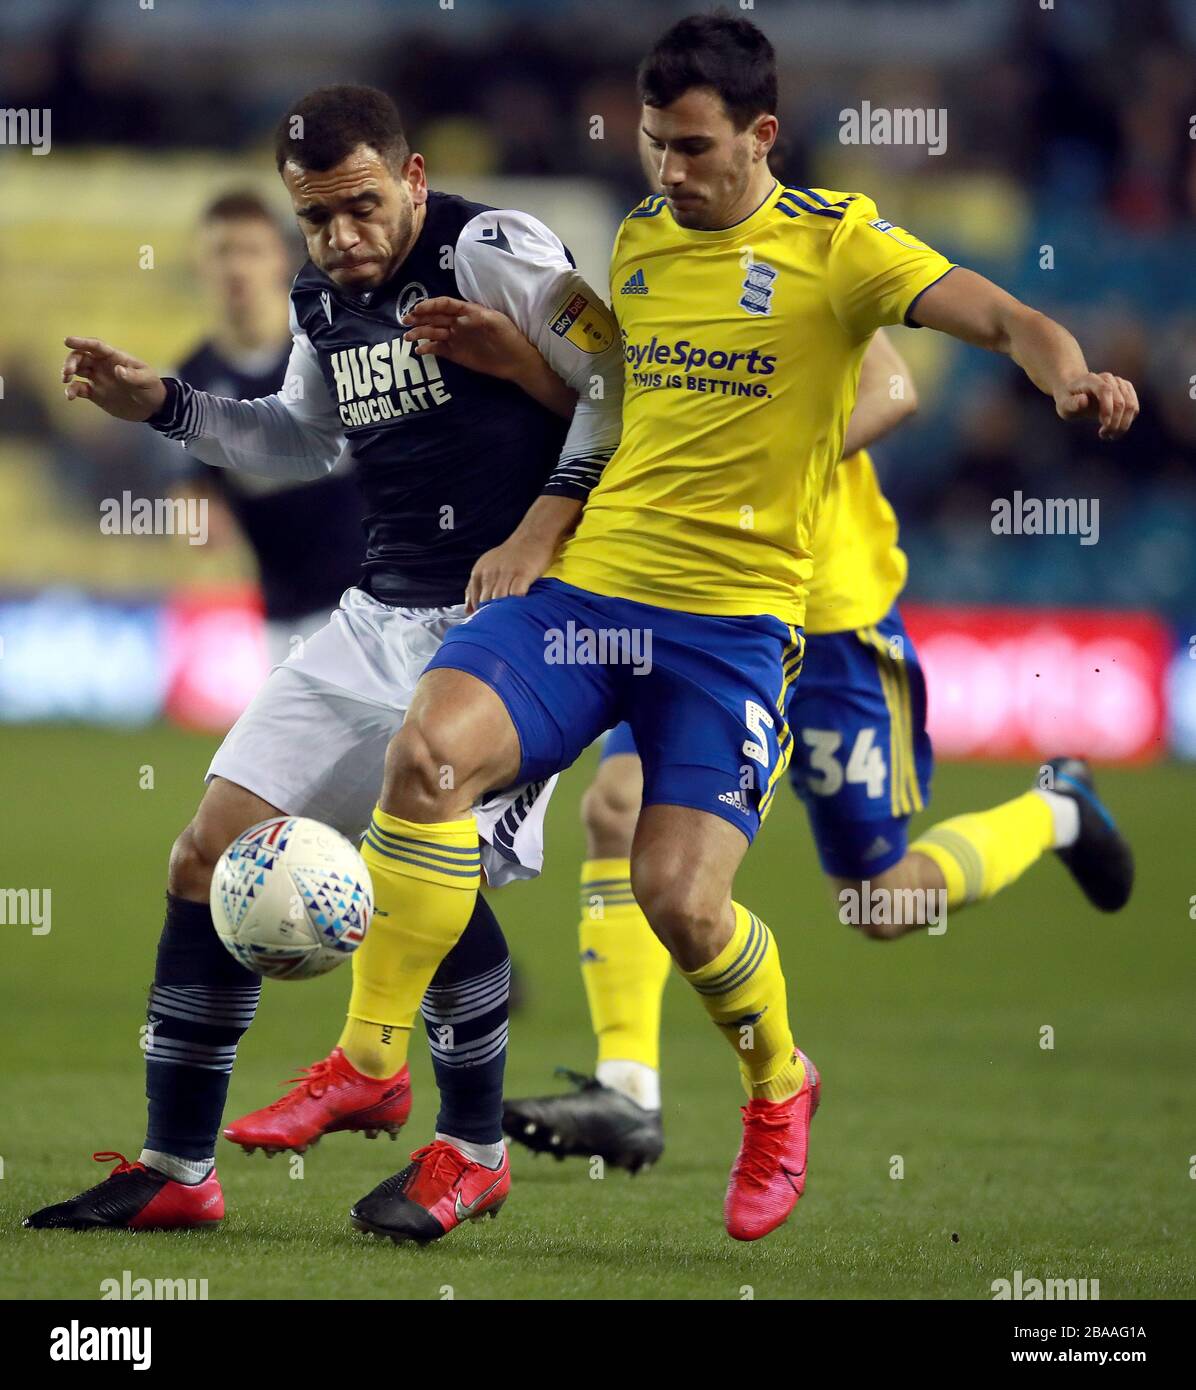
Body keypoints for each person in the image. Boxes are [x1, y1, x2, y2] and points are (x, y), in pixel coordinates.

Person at [307, 13, 1136, 1246]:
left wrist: (1064, 372)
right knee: (480, 770)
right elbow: (615, 401)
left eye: (691, 148)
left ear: (760, 136)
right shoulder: (639, 242)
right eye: (651, 144)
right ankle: (507, 1073)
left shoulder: (839, 248)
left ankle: (808, 1048)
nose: (666, 171)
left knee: (809, 897)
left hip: (786, 617)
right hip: (606, 593)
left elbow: (977, 335)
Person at [24, 84, 622, 1237]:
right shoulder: (320, 295)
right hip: (371, 617)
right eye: (315, 217)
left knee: (424, 873)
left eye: (359, 207)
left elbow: (618, 381)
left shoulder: (493, 248)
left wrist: (543, 524)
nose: (339, 238)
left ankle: (471, 1149)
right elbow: (301, 437)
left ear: (408, 178)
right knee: (204, 851)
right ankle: (178, 1168)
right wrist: (167, 405)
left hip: (505, 624)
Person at [165, 188, 364, 666]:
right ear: (200, 267)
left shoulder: (334, 343)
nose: (237, 268)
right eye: (221, 252)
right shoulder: (192, 379)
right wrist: (194, 517)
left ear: (281, 259)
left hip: (374, 601)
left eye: (251, 251)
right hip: (285, 615)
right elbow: (194, 489)